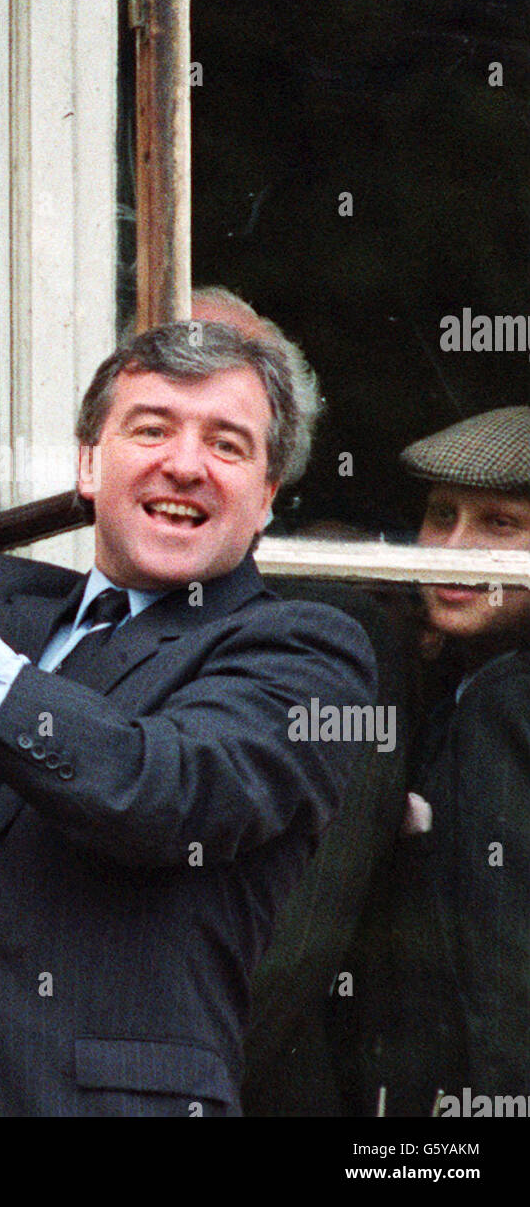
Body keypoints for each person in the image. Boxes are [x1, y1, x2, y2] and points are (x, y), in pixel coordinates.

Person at [0, 320, 378, 1117]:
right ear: (88, 464)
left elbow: (155, 791)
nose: (184, 465)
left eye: (227, 445)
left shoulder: (308, 654)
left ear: (266, 499)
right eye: (150, 430)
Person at [362, 407, 530, 1116]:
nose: (453, 550)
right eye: (440, 515)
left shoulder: (507, 704)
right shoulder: (455, 686)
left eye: (500, 525)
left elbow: (498, 966)